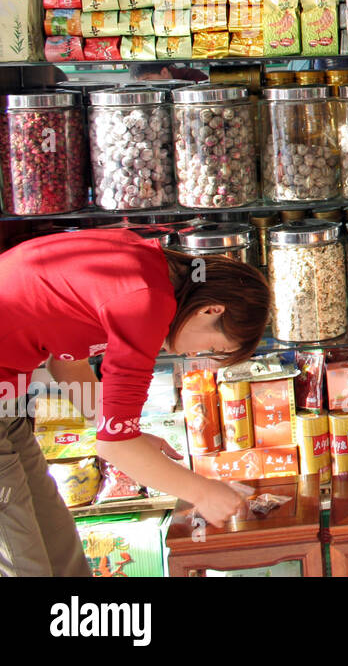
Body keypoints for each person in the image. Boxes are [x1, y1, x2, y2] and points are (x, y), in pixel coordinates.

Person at [0, 228, 271, 576]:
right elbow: (115, 446)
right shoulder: (146, 304)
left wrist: (128, 434)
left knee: (59, 545)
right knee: (24, 563)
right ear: (211, 310)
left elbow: (67, 363)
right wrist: (202, 492)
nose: (194, 354)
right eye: (213, 347)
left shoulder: (150, 268)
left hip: (9, 401)